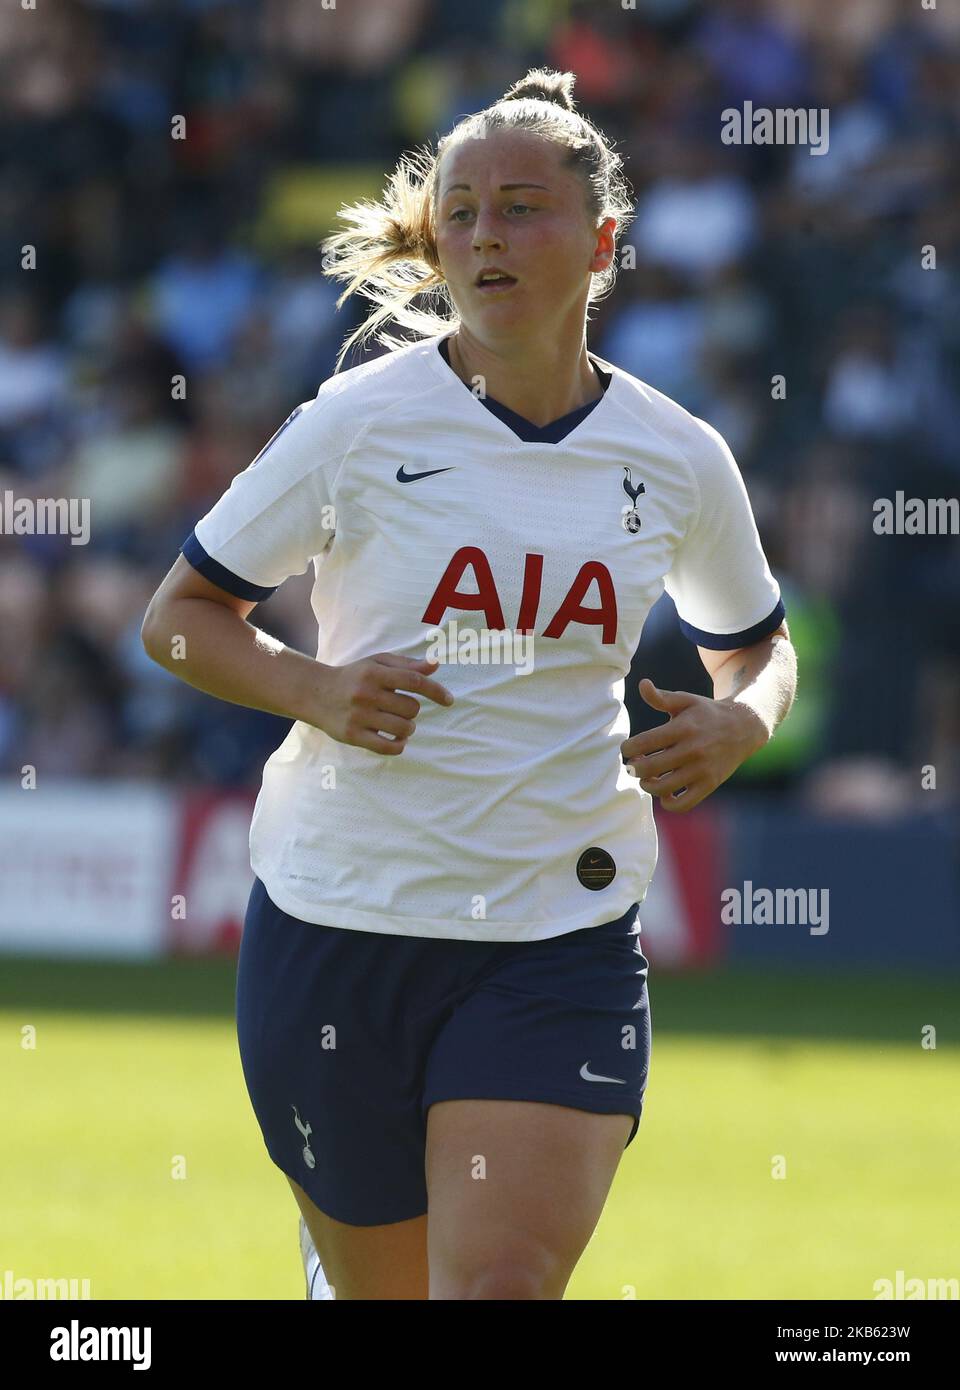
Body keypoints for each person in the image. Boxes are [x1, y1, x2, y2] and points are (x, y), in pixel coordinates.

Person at [141, 67, 797, 1301]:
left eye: (522, 209)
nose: (486, 235)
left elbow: (759, 645)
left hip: (558, 927)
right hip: (340, 918)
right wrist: (317, 689)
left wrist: (742, 719)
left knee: (499, 1286)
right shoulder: (354, 424)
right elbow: (176, 622)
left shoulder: (679, 454)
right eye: (462, 213)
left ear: (601, 241)